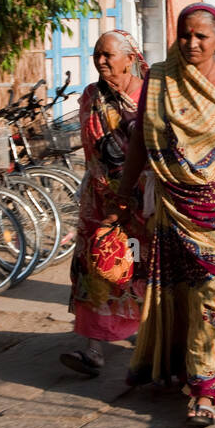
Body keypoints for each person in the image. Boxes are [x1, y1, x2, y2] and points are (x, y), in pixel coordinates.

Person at [106, 4, 215, 428]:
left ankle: (204, 389)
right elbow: (141, 135)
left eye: (201, 37)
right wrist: (124, 192)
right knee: (175, 290)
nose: (192, 44)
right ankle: (173, 367)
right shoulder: (160, 80)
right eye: (185, 35)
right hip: (171, 206)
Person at [61, 30, 149, 377]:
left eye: (108, 55)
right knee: (96, 270)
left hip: (141, 205)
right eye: (97, 55)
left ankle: (146, 339)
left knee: (138, 269)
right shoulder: (91, 97)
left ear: (130, 58)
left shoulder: (147, 98)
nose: (100, 61)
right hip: (100, 202)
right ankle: (93, 348)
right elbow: (92, 150)